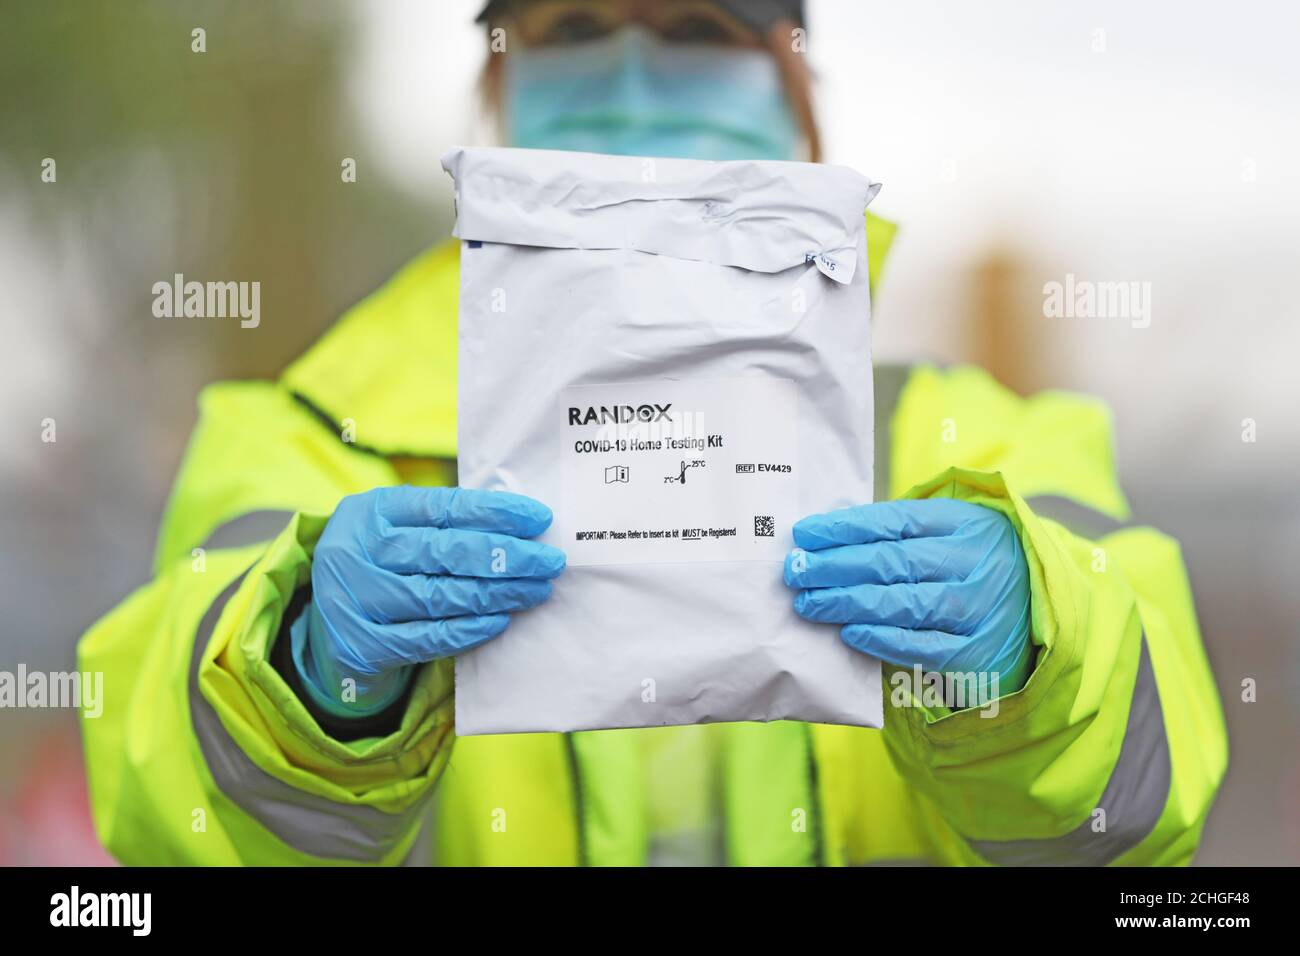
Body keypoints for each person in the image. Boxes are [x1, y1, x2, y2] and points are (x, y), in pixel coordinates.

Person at [78, 0, 1226, 866]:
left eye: (694, 25)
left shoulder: (975, 439)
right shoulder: (306, 438)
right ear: (498, 86)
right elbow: (161, 818)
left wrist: (1026, 665)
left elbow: (1138, 826)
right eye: (572, 24)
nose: (630, 74)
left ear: (794, 90)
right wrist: (310, 676)